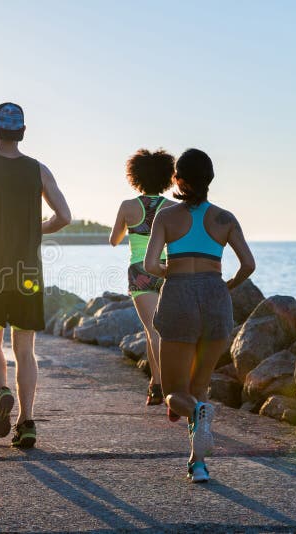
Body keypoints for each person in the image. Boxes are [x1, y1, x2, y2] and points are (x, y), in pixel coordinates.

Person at [0, 102, 71, 448]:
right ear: (22, 132)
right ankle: (26, 423)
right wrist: (37, 230)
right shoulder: (39, 170)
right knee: (25, 348)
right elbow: (65, 216)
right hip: (28, 269)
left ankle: (2, 390)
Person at [144, 148, 255, 483]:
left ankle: (194, 414)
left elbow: (150, 265)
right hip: (215, 296)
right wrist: (227, 285)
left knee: (174, 392)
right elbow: (248, 264)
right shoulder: (225, 218)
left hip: (179, 295)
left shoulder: (165, 217)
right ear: (209, 180)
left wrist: (170, 273)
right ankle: (199, 464)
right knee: (200, 385)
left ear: (177, 179)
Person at [110, 149, 175, 407]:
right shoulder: (172, 207)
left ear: (135, 176)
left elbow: (114, 241)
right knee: (156, 332)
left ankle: (166, 386)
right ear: (166, 177)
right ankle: (155, 384)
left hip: (140, 271)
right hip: (167, 269)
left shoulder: (127, 207)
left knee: (152, 330)